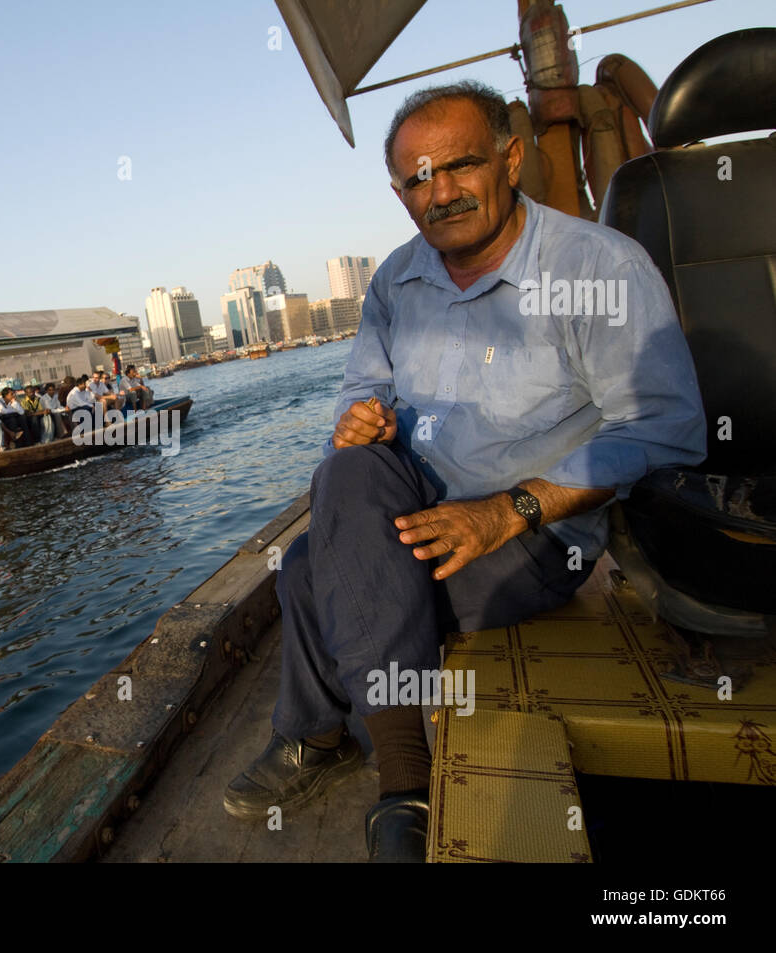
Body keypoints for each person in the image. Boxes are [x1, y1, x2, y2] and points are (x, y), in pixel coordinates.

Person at [222, 80, 707, 862]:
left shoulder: (598, 268)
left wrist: (508, 510)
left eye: (460, 166)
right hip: (413, 501)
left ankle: (351, 752)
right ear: (398, 192)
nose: (440, 193)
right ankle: (388, 764)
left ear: (511, 158)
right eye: (418, 179)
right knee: (344, 477)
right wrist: (361, 421)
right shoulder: (394, 281)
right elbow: (361, 390)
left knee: (314, 569)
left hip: (534, 530)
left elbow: (670, 427)